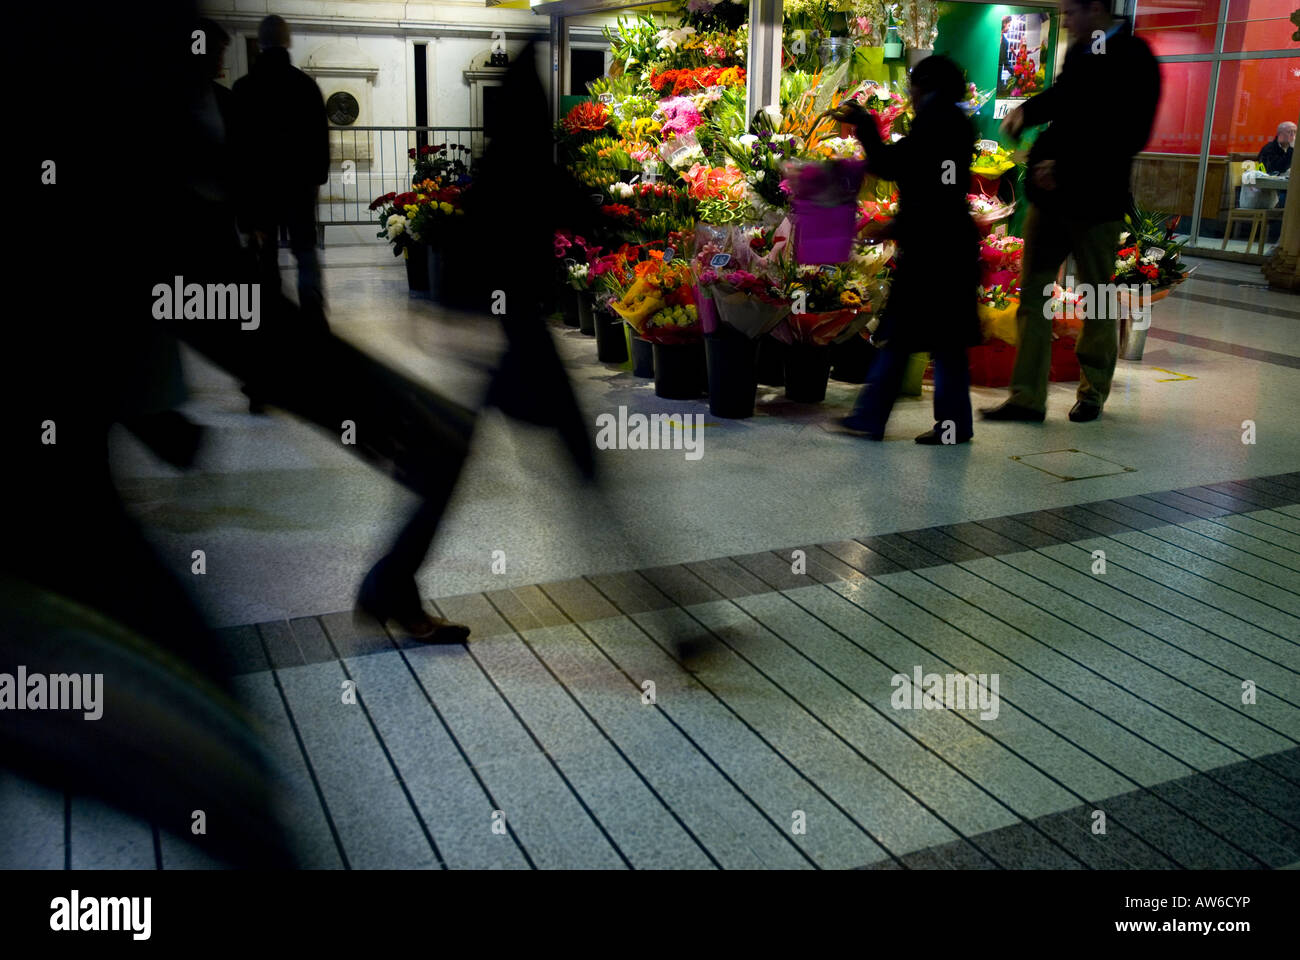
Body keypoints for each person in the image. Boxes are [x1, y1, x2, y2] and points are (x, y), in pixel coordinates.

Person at [983, 0, 1160, 425]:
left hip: (1096, 201)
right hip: (1051, 199)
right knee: (1034, 295)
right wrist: (1027, 112)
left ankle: (1093, 391)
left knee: (1096, 297)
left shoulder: (1136, 58)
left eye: (1074, 12)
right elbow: (1065, 99)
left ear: (1098, 8)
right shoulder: (1081, 51)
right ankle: (1027, 397)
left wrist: (1067, 168)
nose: (1068, 22)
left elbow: (1127, 134)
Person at [836, 55, 981, 445]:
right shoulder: (955, 122)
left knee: (900, 336)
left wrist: (865, 128)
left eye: (913, 84)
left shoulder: (936, 123)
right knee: (948, 342)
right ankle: (953, 425)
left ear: (927, 86)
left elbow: (901, 171)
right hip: (950, 245)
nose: (910, 93)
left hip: (933, 250)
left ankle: (869, 418)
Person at [230, 15, 329, 328]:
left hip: (259, 188)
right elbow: (319, 139)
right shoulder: (305, 86)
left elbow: (236, 147)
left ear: (260, 43)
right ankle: (312, 315)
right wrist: (317, 179)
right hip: (298, 186)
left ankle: (270, 317)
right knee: (305, 250)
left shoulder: (243, 88)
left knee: (266, 255)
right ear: (288, 41)